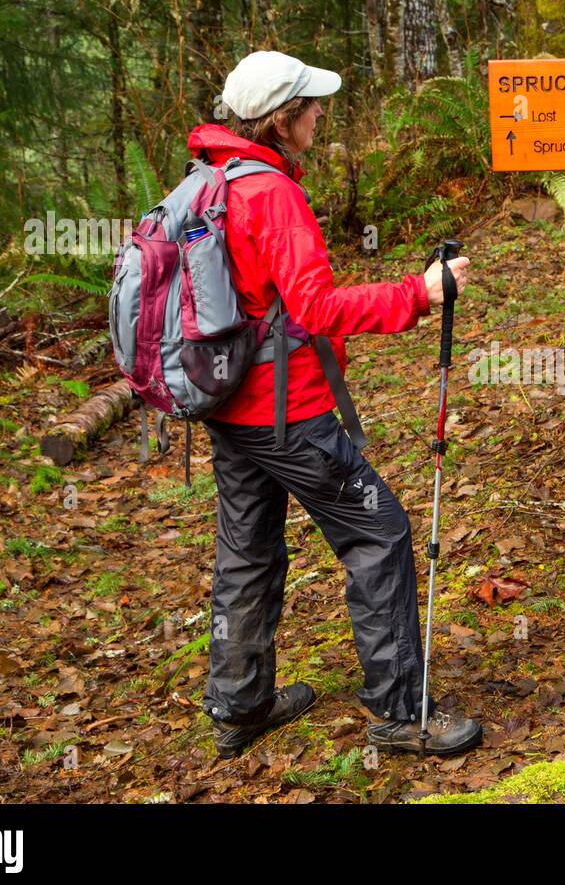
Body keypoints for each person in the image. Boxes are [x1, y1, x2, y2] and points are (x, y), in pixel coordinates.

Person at [188, 50, 480, 760]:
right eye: (313, 104)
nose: (322, 112)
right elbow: (314, 308)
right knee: (379, 534)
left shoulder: (209, 182)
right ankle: (400, 711)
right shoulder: (272, 194)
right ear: (282, 118)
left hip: (227, 406)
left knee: (246, 553)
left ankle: (240, 705)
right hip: (288, 416)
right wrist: (421, 292)